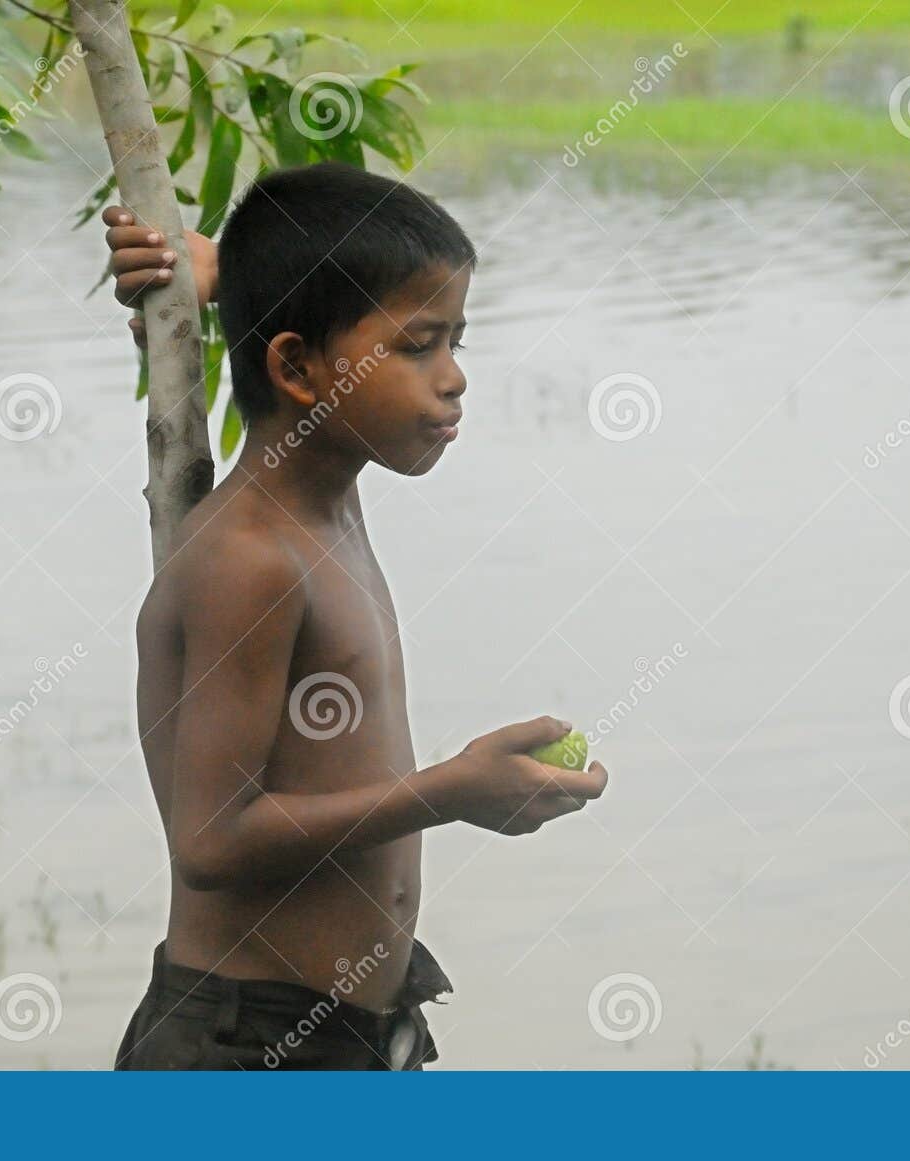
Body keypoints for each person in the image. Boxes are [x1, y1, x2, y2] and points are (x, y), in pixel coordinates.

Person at [103, 162, 611, 1070]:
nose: (453, 379)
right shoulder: (251, 559)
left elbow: (295, 321)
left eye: (457, 340)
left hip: (353, 1037)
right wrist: (454, 790)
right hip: (245, 1047)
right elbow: (210, 840)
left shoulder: (323, 497)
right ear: (296, 365)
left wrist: (217, 280)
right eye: (418, 345)